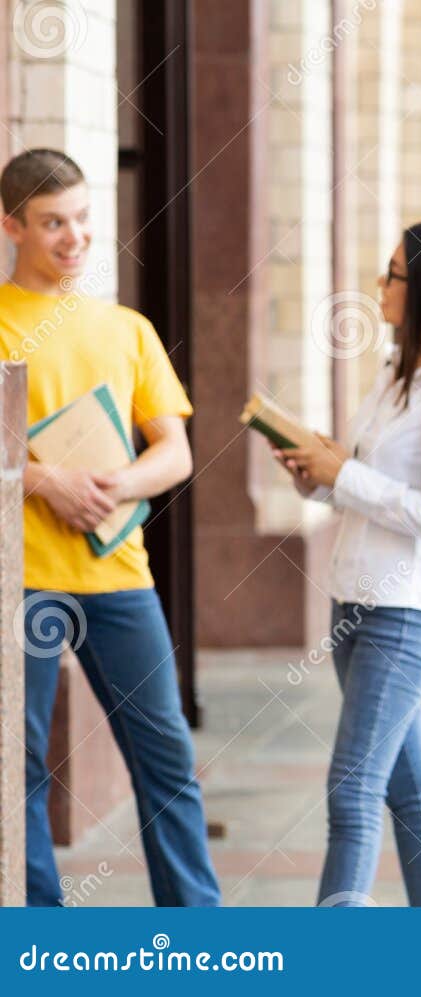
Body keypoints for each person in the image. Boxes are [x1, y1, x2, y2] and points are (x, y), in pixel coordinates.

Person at [0, 149, 220, 906]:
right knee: (18, 762)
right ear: (11, 225)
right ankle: (38, 930)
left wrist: (109, 486)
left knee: (165, 756)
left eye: (84, 219)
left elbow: (175, 451)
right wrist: (43, 480)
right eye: (53, 222)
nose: (75, 237)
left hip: (119, 574)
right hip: (20, 578)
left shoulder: (126, 328)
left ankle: (200, 927)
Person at [276, 218, 421, 905]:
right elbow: (360, 481)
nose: (380, 285)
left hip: (404, 613)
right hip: (355, 599)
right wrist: (312, 470)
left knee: (351, 791)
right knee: (408, 789)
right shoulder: (394, 377)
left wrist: (343, 473)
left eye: (393, 273)